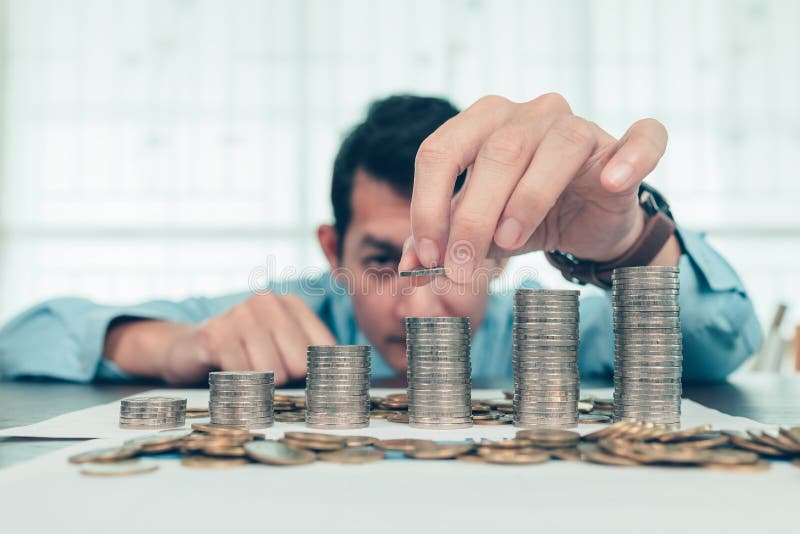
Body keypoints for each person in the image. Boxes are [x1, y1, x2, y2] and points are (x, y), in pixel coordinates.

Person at [0, 93, 761, 385]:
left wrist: (625, 241)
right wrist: (168, 347)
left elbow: (720, 344)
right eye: (381, 263)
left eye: (454, 258)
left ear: (500, 248)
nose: (421, 309)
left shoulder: (543, 334)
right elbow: (26, 337)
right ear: (332, 253)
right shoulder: (282, 317)